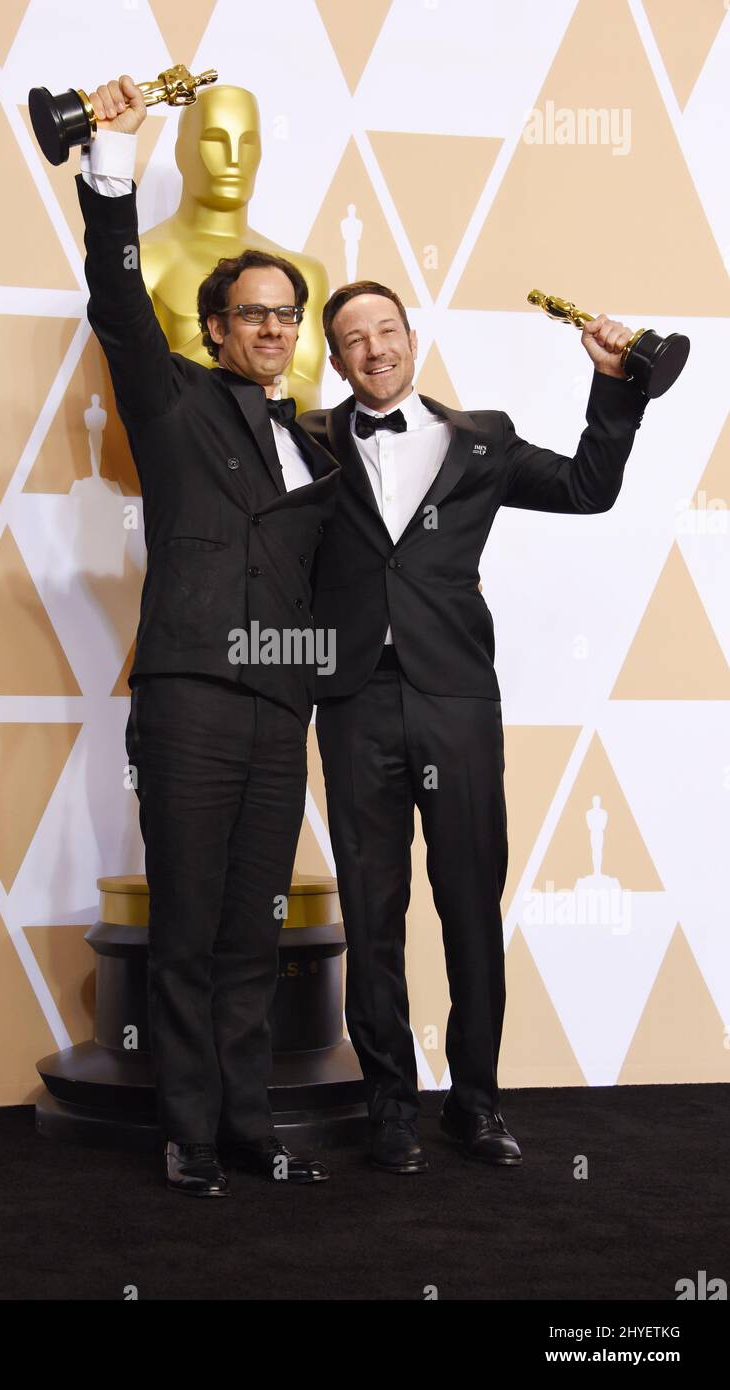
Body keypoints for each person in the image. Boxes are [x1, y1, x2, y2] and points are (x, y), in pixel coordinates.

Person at [300, 280, 649, 1172]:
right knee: (373, 914)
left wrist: (615, 386)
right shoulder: (306, 441)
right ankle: (388, 1108)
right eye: (351, 339)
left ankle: (476, 1103)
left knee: (467, 904)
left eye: (385, 330)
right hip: (351, 701)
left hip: (454, 699)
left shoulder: (483, 437)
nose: (373, 349)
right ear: (334, 359)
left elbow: (586, 488)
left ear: (411, 339)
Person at [77, 75, 340, 1196]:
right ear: (218, 326)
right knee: (186, 922)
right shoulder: (173, 400)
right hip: (186, 697)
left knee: (252, 929)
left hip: (280, 710)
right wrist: (110, 169)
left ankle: (249, 1127)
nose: (274, 330)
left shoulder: (325, 450)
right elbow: (118, 298)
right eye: (254, 315)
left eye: (289, 315)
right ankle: (187, 1131)